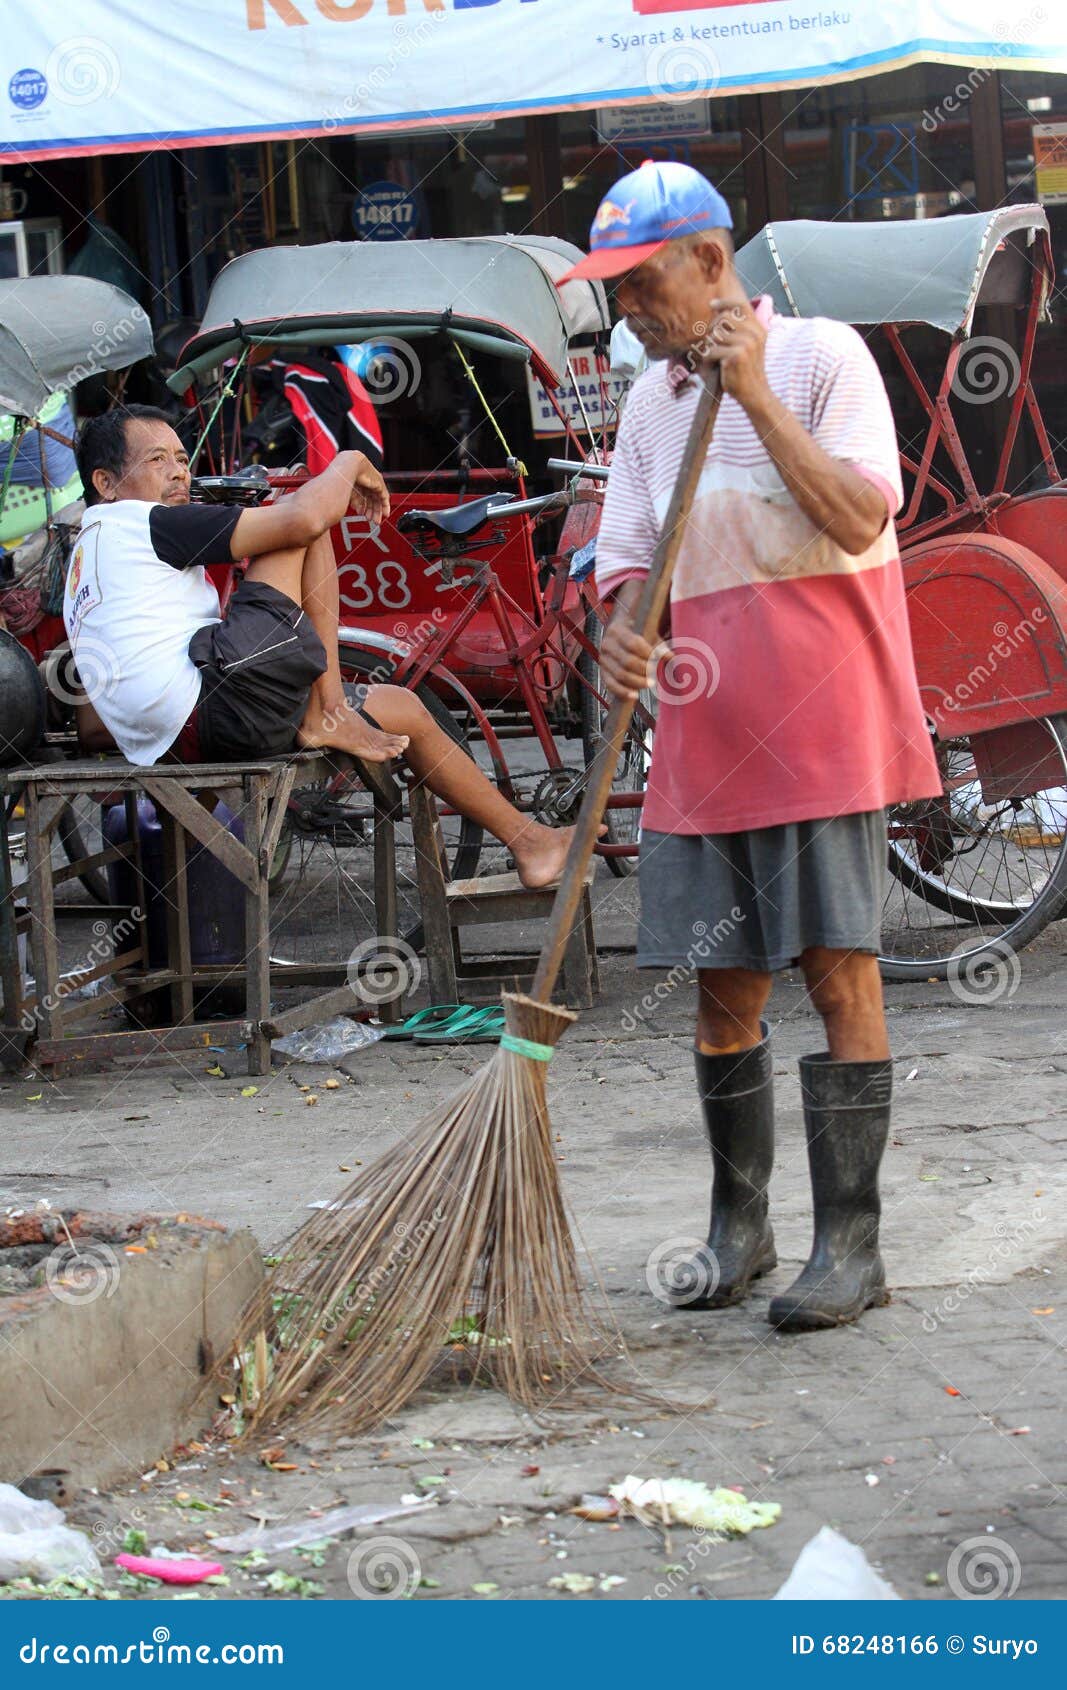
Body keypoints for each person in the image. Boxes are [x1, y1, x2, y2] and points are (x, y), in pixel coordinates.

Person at [560, 162, 942, 1331]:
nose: (626, 309)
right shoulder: (647, 404)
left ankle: (850, 1247)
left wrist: (757, 393)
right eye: (612, 289)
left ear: (712, 263)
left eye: (640, 281)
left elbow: (857, 513)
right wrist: (621, 632)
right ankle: (741, 1224)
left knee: (836, 971)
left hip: (821, 721)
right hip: (702, 734)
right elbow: (627, 556)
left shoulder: (825, 357)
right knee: (718, 990)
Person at [64, 404, 582, 889]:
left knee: (403, 706)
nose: (179, 472)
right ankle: (327, 710)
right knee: (301, 525)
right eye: (157, 460)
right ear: (105, 483)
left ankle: (529, 842)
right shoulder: (140, 521)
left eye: (182, 459)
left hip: (176, 737)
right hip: (215, 712)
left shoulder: (88, 548)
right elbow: (305, 520)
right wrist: (350, 461)